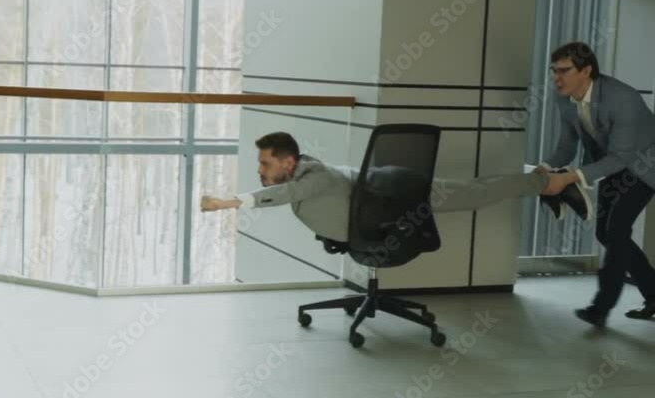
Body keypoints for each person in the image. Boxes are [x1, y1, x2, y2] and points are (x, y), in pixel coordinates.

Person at [201, 130, 586, 250]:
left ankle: (546, 181)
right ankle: (542, 183)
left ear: (287, 162)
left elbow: (282, 196)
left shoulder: (312, 180)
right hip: (383, 195)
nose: (261, 170)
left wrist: (229, 202)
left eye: (266, 164)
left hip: (400, 195)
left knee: (475, 194)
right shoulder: (306, 172)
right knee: (475, 188)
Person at [534, 41, 655, 326]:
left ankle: (600, 308)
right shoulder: (564, 99)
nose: (556, 78)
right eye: (553, 71)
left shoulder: (623, 99)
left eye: (563, 71)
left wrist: (569, 177)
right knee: (607, 234)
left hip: (645, 164)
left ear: (586, 70)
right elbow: (567, 147)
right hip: (612, 163)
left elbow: (623, 157)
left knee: (616, 231)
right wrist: (546, 167)